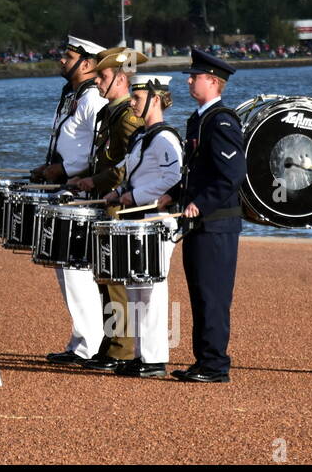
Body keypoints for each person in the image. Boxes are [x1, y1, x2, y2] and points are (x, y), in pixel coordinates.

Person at [68, 45, 146, 371]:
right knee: (104, 278)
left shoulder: (127, 118)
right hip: (105, 204)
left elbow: (131, 163)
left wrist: (94, 181)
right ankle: (108, 341)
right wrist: (84, 178)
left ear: (120, 78)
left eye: (102, 77)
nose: (97, 82)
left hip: (117, 207)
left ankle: (121, 349)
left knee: (115, 279)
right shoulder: (110, 113)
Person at [34, 35, 109, 366]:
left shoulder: (93, 99)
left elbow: (96, 150)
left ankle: (89, 344)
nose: (62, 60)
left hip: (82, 191)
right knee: (68, 270)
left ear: (88, 63)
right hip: (68, 188)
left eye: (69, 55)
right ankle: (82, 339)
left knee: (77, 270)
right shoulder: (74, 96)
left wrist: (61, 170)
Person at [102, 74, 182, 377]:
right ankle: (141, 354)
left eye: (137, 98)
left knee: (151, 291)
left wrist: (133, 196)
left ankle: (154, 358)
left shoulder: (165, 138)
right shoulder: (142, 137)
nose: (132, 102)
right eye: (132, 97)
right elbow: (135, 174)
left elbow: (171, 180)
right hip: (138, 220)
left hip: (155, 222)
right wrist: (120, 192)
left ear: (156, 99)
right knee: (137, 288)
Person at [175, 48, 247, 383]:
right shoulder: (200, 119)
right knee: (201, 293)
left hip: (217, 223)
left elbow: (232, 174)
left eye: (196, 76)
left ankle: (215, 365)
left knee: (213, 295)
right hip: (200, 223)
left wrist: (200, 204)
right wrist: (174, 195)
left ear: (213, 82)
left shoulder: (220, 121)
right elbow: (194, 172)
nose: (189, 80)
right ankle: (204, 360)